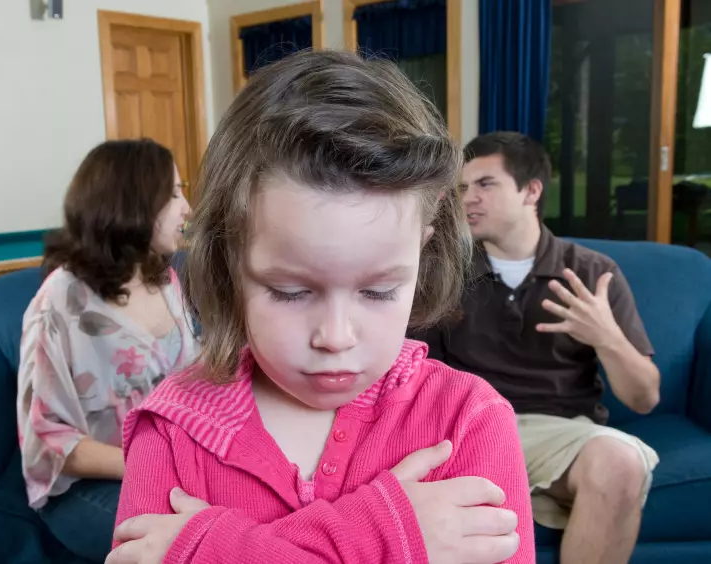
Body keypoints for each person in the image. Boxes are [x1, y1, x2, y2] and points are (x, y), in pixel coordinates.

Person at [106, 51, 535, 564]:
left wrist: (218, 550)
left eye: (378, 292)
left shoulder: (469, 421)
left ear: (423, 246)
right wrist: (383, 539)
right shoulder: (173, 430)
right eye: (290, 292)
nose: (336, 337)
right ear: (228, 257)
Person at [409, 131, 661, 564]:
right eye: (464, 187)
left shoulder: (590, 272)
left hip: (560, 430)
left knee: (620, 463)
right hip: (473, 425)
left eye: (486, 184)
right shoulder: (446, 270)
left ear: (532, 191)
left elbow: (644, 398)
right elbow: (410, 369)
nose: (469, 198)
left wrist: (606, 337)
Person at [16, 138, 199, 563]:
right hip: (91, 487)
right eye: (173, 194)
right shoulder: (59, 303)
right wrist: (153, 467)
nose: (187, 208)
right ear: (133, 206)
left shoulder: (165, 280)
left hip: (174, 469)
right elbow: (46, 442)